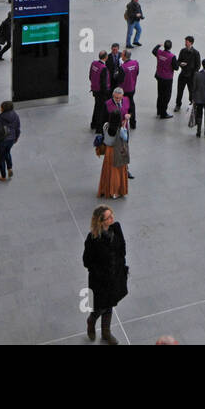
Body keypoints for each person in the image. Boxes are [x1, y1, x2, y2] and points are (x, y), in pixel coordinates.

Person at [83, 205, 128, 345]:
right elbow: (87, 261)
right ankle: (91, 321)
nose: (112, 218)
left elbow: (122, 248)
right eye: (108, 217)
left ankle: (106, 333)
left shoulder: (117, 228)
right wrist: (100, 273)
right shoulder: (92, 238)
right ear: (101, 222)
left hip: (115, 276)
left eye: (111, 215)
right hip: (100, 281)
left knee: (110, 305)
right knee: (100, 307)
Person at [98, 110, 130, 200]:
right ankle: (115, 191)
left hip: (108, 151)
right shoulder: (120, 130)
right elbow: (125, 137)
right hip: (117, 152)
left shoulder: (106, 126)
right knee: (116, 173)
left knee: (107, 171)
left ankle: (106, 189)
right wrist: (126, 123)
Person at [0, 101, 21, 182]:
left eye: (1, 107)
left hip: (2, 141)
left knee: (1, 158)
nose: (0, 108)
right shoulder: (15, 115)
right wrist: (16, 138)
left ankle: (3, 176)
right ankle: (9, 168)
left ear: (3, 109)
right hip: (11, 139)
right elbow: (18, 128)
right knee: (7, 152)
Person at [174, 36, 200, 112]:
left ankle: (192, 103)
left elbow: (198, 65)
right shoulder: (182, 51)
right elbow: (178, 61)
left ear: (191, 43)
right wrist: (180, 63)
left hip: (191, 76)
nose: (185, 43)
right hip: (183, 74)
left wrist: (194, 74)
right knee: (180, 90)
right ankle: (178, 104)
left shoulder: (195, 53)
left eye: (187, 42)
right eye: (185, 41)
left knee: (191, 91)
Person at [152, 40, 177, 119]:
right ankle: (163, 113)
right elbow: (176, 67)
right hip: (167, 78)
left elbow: (153, 51)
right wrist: (179, 64)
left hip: (159, 76)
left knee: (160, 94)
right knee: (166, 96)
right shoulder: (172, 56)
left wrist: (158, 45)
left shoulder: (159, 53)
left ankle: (159, 111)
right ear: (171, 47)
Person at [89, 51, 111, 130]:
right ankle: (99, 127)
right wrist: (106, 93)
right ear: (106, 57)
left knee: (97, 106)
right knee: (101, 109)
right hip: (101, 92)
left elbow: (90, 76)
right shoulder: (103, 68)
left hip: (94, 89)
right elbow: (103, 83)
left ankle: (93, 124)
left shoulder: (94, 64)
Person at [120, 49, 140, 130]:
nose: (121, 55)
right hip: (132, 87)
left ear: (124, 56)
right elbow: (137, 73)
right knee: (132, 105)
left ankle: (122, 122)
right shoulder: (135, 63)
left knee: (123, 105)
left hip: (124, 89)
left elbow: (119, 79)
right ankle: (133, 123)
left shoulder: (123, 67)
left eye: (122, 54)